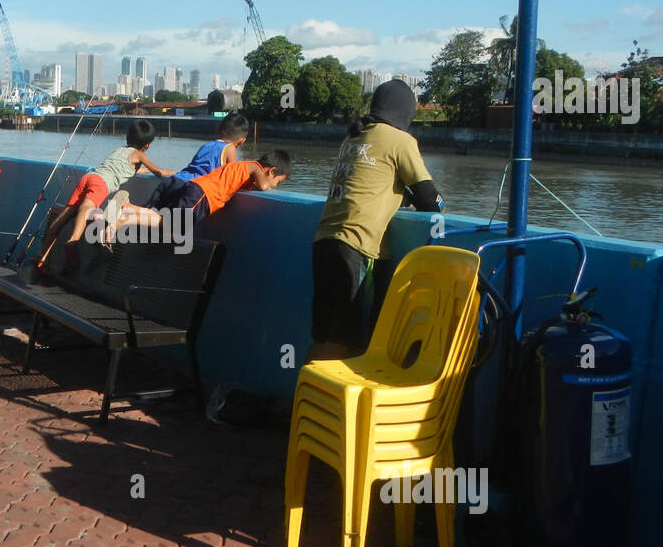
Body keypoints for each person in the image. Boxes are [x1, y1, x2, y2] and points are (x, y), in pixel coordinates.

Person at [309, 79, 444, 362]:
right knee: (346, 339)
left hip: (324, 242)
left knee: (326, 334)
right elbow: (430, 200)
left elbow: (371, 181)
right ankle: (336, 403)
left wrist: (399, 193)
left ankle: (307, 400)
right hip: (356, 247)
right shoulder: (400, 140)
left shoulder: (355, 136)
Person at [37, 120, 172, 268]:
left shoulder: (120, 150)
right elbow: (159, 172)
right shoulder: (140, 155)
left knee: (65, 215)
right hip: (102, 183)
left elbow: (128, 169)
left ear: (128, 137)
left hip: (89, 177)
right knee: (87, 207)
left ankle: (41, 258)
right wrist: (178, 173)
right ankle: (73, 241)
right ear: (148, 145)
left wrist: (145, 171)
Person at [117, 149, 291, 234]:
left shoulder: (241, 167)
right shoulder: (253, 166)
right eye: (277, 181)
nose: (275, 186)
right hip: (203, 195)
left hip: (195, 188)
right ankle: (125, 219)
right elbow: (263, 186)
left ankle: (129, 206)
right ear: (271, 171)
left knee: (164, 218)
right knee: (171, 224)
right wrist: (266, 184)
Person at [145, 113, 249, 211]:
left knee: (148, 214)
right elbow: (231, 177)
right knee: (173, 224)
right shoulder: (230, 148)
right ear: (242, 141)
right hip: (189, 188)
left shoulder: (207, 145)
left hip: (174, 180)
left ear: (218, 131)